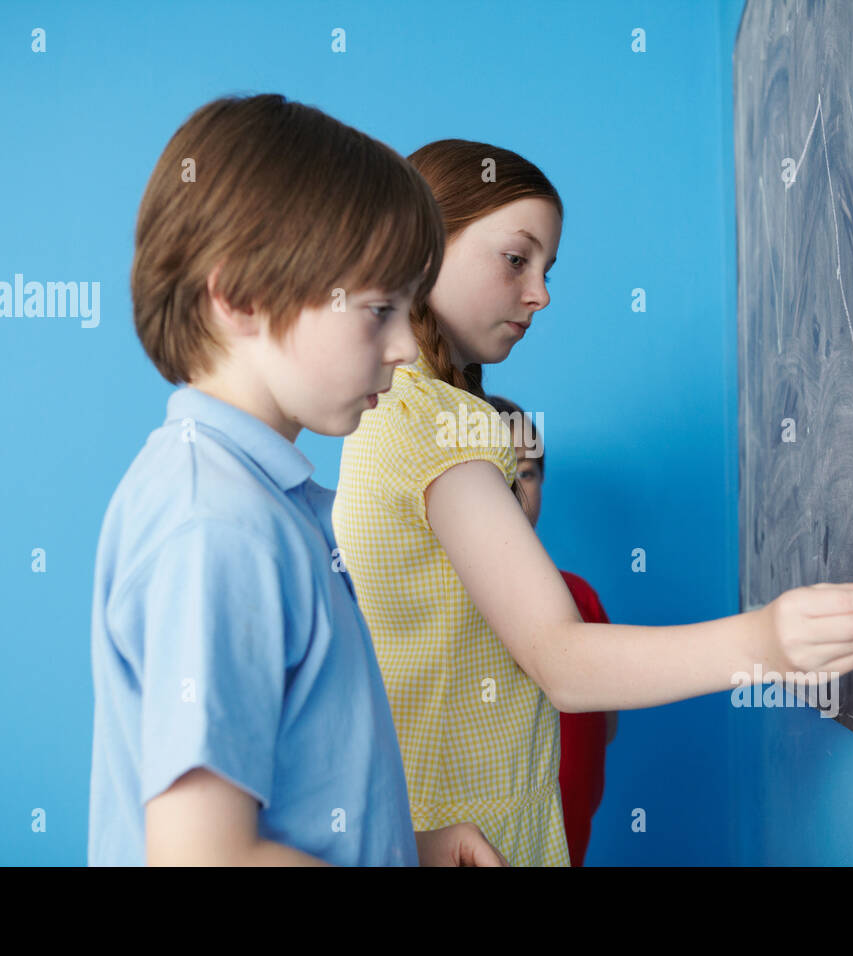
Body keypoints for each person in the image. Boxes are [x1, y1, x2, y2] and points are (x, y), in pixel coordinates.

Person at [332, 139, 853, 866]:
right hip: (482, 834)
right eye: (517, 258)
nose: (541, 294)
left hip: (421, 824)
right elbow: (562, 663)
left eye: (547, 270)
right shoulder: (439, 423)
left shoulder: (388, 412)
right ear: (422, 243)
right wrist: (766, 644)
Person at [88, 95, 506, 867]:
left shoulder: (257, 504)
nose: (407, 351)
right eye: (379, 309)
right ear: (241, 297)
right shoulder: (216, 526)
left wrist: (402, 850)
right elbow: (204, 860)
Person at [485, 393, 615, 868]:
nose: (516, 490)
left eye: (526, 472)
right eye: (495, 473)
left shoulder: (579, 598)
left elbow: (604, 728)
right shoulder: (435, 612)